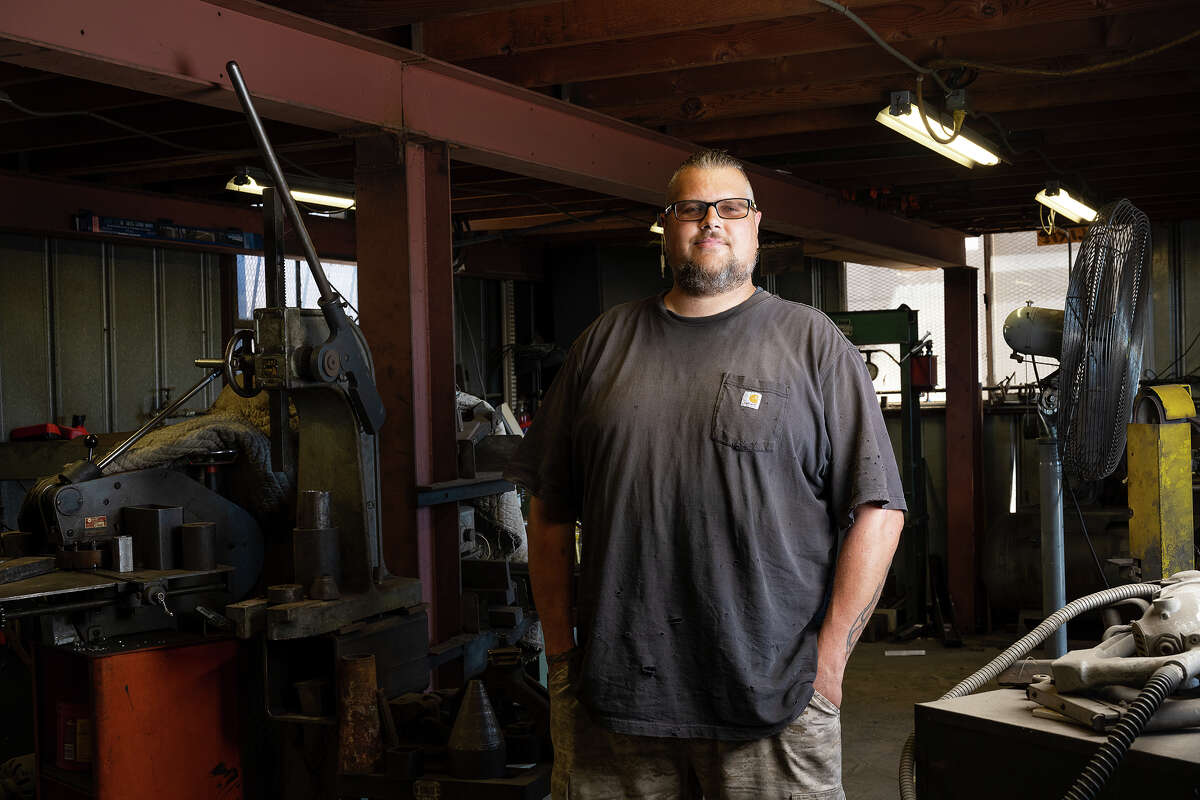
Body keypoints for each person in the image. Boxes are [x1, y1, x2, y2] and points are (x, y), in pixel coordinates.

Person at [504, 149, 906, 799]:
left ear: (755, 226)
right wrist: (559, 660)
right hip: (616, 704)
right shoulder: (603, 346)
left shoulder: (812, 344)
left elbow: (879, 510)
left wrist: (827, 666)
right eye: (691, 209)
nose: (710, 221)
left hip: (774, 706)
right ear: (666, 227)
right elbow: (549, 511)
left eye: (730, 208)